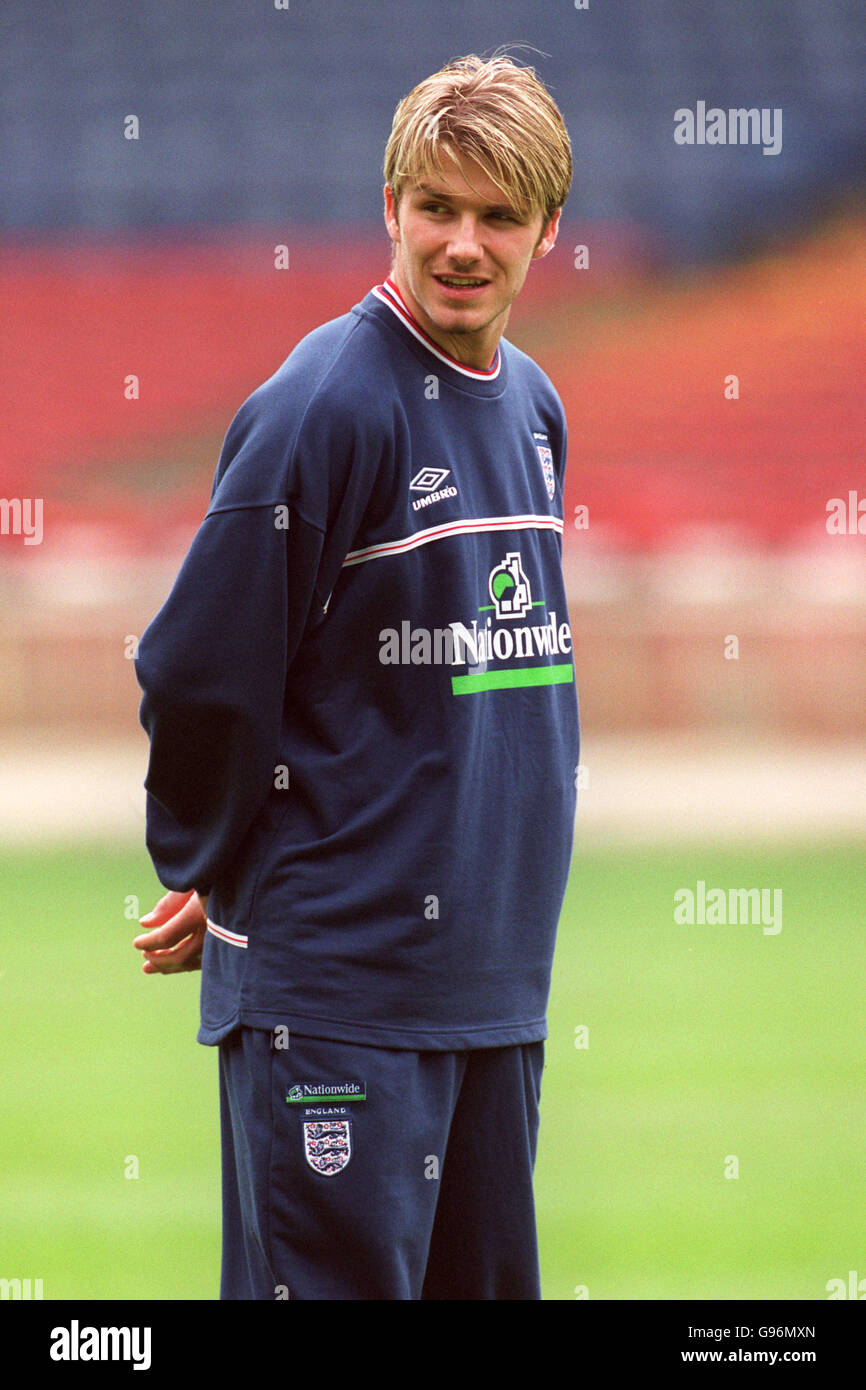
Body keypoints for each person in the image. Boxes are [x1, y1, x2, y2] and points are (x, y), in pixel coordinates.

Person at [133, 52, 579, 1301]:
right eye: (434, 206)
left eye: (497, 215)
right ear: (389, 206)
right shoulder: (323, 402)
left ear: (549, 229)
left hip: (492, 992)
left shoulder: (533, 409)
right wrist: (221, 867)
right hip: (340, 1004)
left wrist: (236, 860)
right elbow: (199, 669)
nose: (461, 243)